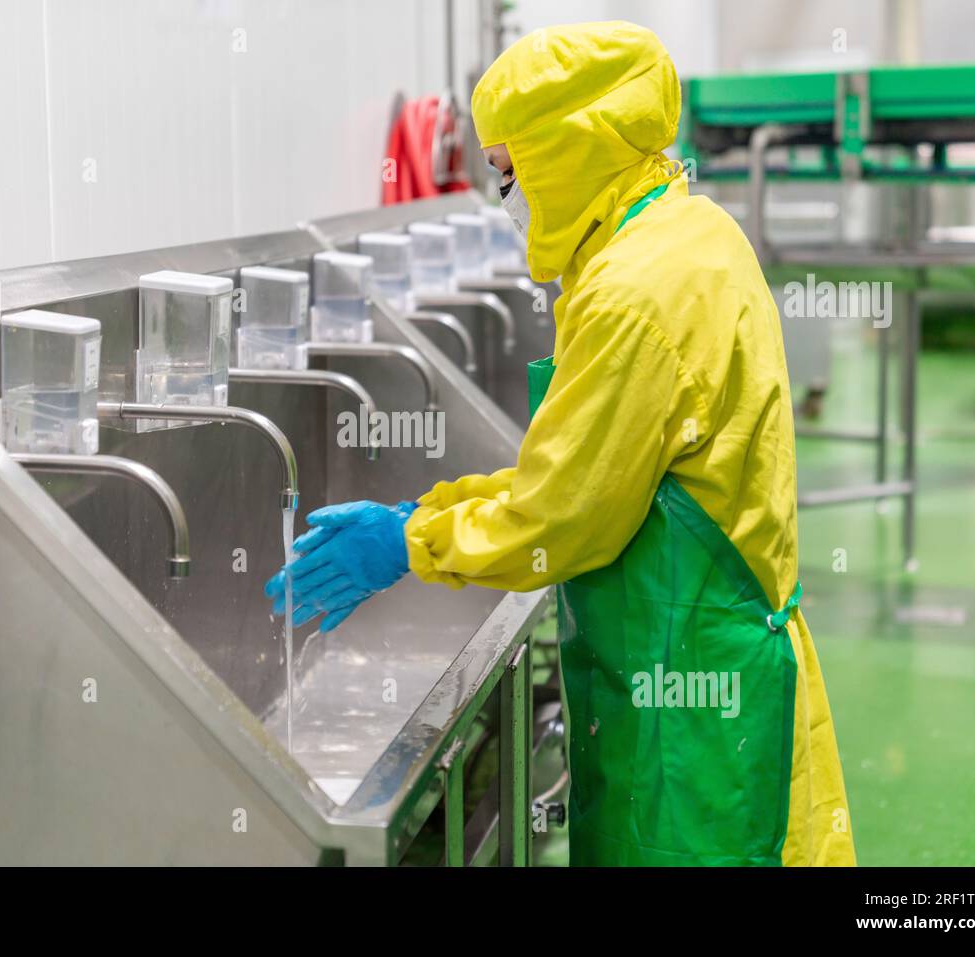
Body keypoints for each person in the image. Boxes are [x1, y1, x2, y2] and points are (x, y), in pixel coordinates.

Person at [266, 21, 855, 867]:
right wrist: (426, 510)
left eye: (512, 171)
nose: (506, 194)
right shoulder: (686, 234)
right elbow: (590, 469)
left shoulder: (633, 294)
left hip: (684, 705)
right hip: (700, 654)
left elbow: (565, 515)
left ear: (571, 151)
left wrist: (408, 540)